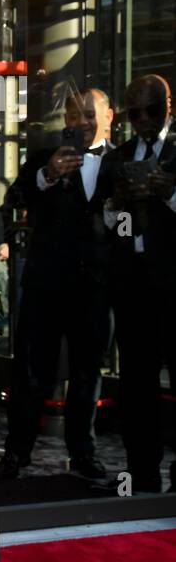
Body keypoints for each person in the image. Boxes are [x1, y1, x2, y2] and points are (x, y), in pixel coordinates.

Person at [0, 89, 114, 481]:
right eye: (70, 114)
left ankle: (84, 452)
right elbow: (15, 196)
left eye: (86, 113)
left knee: (87, 372)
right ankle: (17, 452)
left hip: (95, 286)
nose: (78, 121)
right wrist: (48, 175)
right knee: (31, 370)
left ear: (108, 116)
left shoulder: (123, 159)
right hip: (46, 284)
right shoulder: (44, 156)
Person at [98, 74, 176, 493]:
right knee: (136, 384)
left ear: (169, 106)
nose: (143, 120)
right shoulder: (120, 156)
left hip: (173, 285)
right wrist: (117, 204)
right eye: (135, 113)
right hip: (133, 288)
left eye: (152, 110)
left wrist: (172, 194)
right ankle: (141, 473)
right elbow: (108, 224)